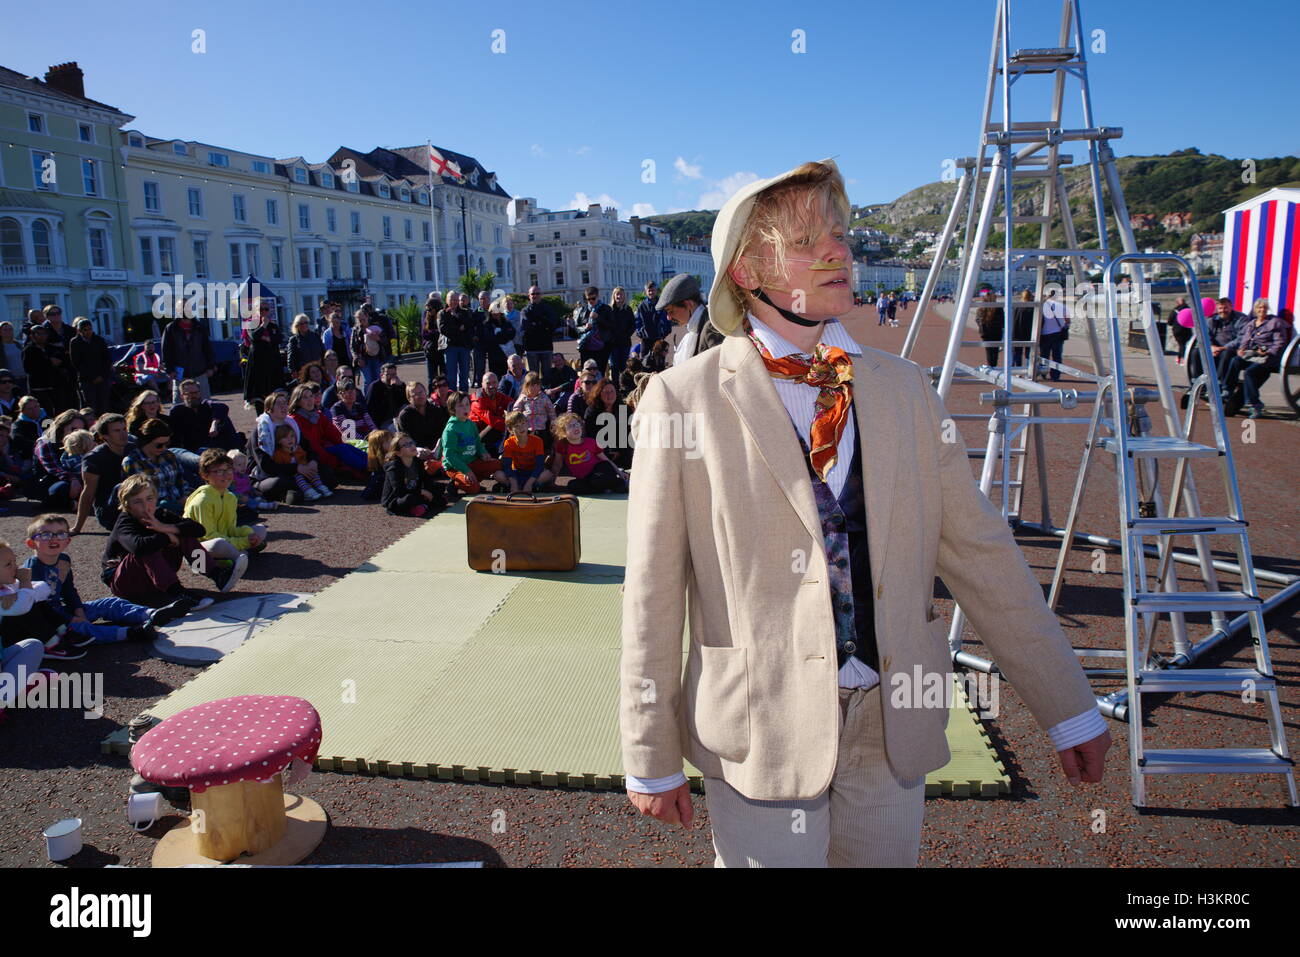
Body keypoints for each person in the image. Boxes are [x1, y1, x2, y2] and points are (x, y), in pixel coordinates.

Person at [620, 159, 1108, 867]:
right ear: (748, 271)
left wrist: (1068, 705)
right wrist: (650, 751)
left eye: (841, 234)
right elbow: (653, 589)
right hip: (762, 730)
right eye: (807, 238)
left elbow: (981, 554)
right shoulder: (683, 399)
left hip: (890, 724)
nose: (839, 251)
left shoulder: (906, 390)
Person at [22, 514, 170, 646]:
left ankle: (152, 614)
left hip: (62, 610)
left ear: (67, 541)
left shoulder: (63, 560)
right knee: (84, 629)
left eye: (60, 534)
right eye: (46, 535)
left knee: (109, 603)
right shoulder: (31, 569)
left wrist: (78, 610)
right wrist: (71, 619)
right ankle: (129, 633)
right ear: (31, 543)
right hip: (50, 621)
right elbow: (40, 608)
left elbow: (68, 590)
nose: (54, 538)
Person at [102, 475, 239, 608]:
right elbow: (139, 547)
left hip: (154, 579)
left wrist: (165, 527)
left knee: (183, 533)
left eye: (149, 499)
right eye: (138, 502)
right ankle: (178, 594)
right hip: (126, 584)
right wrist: (167, 537)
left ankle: (216, 574)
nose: (146, 506)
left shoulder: (160, 514)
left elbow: (198, 530)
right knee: (148, 547)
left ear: (156, 499)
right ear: (127, 505)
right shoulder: (125, 522)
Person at [183, 449, 269, 557]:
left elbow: (230, 529)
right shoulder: (202, 500)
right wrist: (244, 542)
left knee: (260, 530)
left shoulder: (230, 497)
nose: (226, 475)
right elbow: (208, 536)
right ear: (205, 475)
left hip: (224, 539)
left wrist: (248, 535)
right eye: (219, 471)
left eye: (228, 470)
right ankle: (240, 555)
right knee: (218, 544)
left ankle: (238, 555)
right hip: (199, 547)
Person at [1219, 298, 1293, 418]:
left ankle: (1255, 405)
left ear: (1267, 309)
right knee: (1235, 361)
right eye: (1259, 308)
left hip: (1268, 358)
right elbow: (1245, 340)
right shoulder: (1251, 324)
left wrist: (1267, 352)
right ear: (1255, 310)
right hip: (1253, 355)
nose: (1261, 310)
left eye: (1264, 307)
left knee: (1250, 373)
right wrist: (1241, 349)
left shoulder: (1275, 322)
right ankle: (1227, 389)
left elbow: (1279, 342)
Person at [289, 383, 367, 478]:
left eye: (311, 396)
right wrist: (333, 459)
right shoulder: (295, 419)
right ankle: (368, 468)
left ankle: (373, 463)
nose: (310, 400)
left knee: (346, 446)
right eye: (305, 398)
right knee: (342, 450)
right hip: (310, 457)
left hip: (324, 450)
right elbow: (311, 446)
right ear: (297, 401)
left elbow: (335, 435)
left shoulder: (317, 414)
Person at [122, 418, 194, 514]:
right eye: (159, 445)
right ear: (146, 441)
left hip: (181, 502)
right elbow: (138, 494)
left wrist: (186, 496)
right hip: (156, 509)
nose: (164, 448)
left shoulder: (168, 455)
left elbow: (181, 480)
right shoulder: (133, 462)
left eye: (167, 443)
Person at [73, 412, 130, 533]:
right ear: (105, 436)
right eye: (117, 431)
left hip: (137, 503)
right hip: (110, 510)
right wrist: (77, 527)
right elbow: (88, 493)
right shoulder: (94, 458)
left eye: (124, 429)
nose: (123, 434)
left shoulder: (134, 449)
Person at [439, 391, 506, 494]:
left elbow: (478, 443)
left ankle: (472, 480)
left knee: (498, 464)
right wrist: (466, 470)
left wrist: (483, 453)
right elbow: (450, 455)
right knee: (474, 488)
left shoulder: (471, 424)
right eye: (460, 405)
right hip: (456, 467)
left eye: (467, 404)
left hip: (471, 461)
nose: (465, 408)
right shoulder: (450, 429)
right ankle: (455, 482)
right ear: (453, 409)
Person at [549, 413, 627, 494]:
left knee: (596, 480)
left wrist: (619, 472)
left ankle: (620, 483)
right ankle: (604, 490)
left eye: (576, 424)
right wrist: (552, 481)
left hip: (600, 471)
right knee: (572, 486)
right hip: (585, 478)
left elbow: (606, 460)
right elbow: (557, 464)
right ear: (564, 433)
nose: (575, 427)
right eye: (570, 426)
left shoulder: (591, 442)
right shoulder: (562, 445)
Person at [1185, 297, 1246, 399]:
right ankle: (1198, 382)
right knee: (1196, 352)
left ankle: (1217, 384)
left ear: (1231, 307)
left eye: (1226, 308)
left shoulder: (1240, 319)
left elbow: (1241, 337)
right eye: (1220, 308)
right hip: (1214, 349)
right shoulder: (1212, 320)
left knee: (1226, 354)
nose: (1223, 311)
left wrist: (1223, 348)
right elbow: (1206, 335)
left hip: (1230, 349)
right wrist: (1211, 347)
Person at [659, 273, 723, 366]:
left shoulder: (710, 327)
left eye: (670, 311)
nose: (668, 317)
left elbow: (721, 371)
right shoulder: (695, 326)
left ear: (689, 304)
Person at [162, 300, 217, 406]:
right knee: (179, 405)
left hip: (200, 372)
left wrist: (211, 366)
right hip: (179, 374)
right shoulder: (171, 328)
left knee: (204, 404)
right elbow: (166, 351)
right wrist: (169, 370)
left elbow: (207, 347)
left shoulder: (199, 327)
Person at [381, 432, 446, 517]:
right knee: (408, 499)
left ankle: (423, 505)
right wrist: (422, 492)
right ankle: (423, 505)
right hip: (397, 498)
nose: (412, 446)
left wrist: (431, 491)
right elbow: (399, 491)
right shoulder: (394, 468)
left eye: (411, 443)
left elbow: (426, 480)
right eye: (406, 445)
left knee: (439, 488)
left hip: (415, 492)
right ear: (398, 453)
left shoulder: (417, 462)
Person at [30, 410, 85, 509]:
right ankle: (71, 505)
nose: (77, 434)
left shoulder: (82, 441)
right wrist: (73, 478)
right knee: (60, 489)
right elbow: (53, 468)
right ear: (62, 427)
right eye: (73, 429)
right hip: (50, 481)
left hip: (75, 480)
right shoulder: (45, 442)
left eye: (81, 430)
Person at [240, 299, 285, 414]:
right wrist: (263, 325)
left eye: (266, 309)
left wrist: (268, 338)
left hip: (272, 364)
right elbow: (254, 336)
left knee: (275, 394)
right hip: (258, 366)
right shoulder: (250, 324)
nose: (264, 312)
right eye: (261, 309)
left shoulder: (273, 325)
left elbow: (279, 338)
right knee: (260, 397)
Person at [272, 423, 332, 501]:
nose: (290, 439)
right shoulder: (278, 453)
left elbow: (303, 457)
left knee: (313, 473)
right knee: (299, 478)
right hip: (292, 474)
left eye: (292, 436)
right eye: (285, 437)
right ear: (279, 440)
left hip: (303, 469)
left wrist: (306, 466)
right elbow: (280, 466)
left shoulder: (297, 448)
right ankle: (308, 491)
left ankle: (320, 486)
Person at [582, 377, 632, 469]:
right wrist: (608, 451)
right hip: (600, 452)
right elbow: (591, 435)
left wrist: (619, 451)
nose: (609, 395)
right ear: (599, 394)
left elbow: (627, 433)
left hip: (622, 451)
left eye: (612, 391)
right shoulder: (592, 411)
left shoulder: (624, 409)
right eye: (605, 392)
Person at [499, 411, 554, 493]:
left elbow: (539, 465)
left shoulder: (537, 441)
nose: (521, 428)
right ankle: (516, 486)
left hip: (532, 474)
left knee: (548, 474)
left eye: (523, 423)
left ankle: (529, 486)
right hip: (516, 473)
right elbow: (507, 466)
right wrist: (513, 482)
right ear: (510, 430)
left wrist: (530, 483)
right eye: (517, 426)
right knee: (498, 475)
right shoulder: (508, 442)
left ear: (527, 424)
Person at [68, 318, 114, 414]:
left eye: (90, 329)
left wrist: (102, 375)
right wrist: (91, 377)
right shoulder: (75, 342)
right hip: (87, 380)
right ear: (80, 331)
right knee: (90, 406)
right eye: (85, 329)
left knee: (104, 404)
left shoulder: (99, 340)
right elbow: (76, 362)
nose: (88, 332)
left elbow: (107, 359)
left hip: (102, 378)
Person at [395, 380, 449, 458]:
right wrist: (418, 449)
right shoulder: (405, 416)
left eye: (421, 392)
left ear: (425, 392)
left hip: (439, 451)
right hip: (415, 453)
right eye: (415, 394)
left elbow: (443, 432)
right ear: (409, 399)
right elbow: (404, 439)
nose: (419, 396)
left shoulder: (436, 410)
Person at [570, 286, 614, 373]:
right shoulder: (582, 310)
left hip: (602, 346)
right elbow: (576, 328)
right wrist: (585, 328)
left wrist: (599, 318)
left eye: (593, 298)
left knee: (600, 372)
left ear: (598, 296)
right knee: (587, 372)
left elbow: (612, 326)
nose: (591, 301)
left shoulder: (606, 309)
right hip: (586, 346)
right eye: (588, 299)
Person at [511, 371, 557, 453]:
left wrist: (553, 420)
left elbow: (551, 410)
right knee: (525, 439)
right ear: (526, 386)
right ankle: (527, 453)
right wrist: (519, 417)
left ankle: (543, 454)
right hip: (527, 427)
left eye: (537, 385)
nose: (535, 388)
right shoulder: (523, 397)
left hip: (540, 427)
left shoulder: (544, 398)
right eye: (532, 385)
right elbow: (516, 408)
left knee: (541, 439)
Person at [438, 293, 475, 393]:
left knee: (464, 375)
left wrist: (456, 317)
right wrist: (459, 328)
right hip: (450, 347)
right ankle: (452, 398)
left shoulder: (464, 312)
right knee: (451, 376)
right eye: (451, 299)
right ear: (446, 300)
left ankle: (464, 397)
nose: (453, 302)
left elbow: (469, 324)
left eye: (455, 299)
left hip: (464, 346)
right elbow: (443, 329)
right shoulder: (442, 313)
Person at [21, 324, 61, 415]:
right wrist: (49, 362)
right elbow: (28, 368)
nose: (42, 336)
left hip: (53, 385)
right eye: (39, 334)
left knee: (56, 410)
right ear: (32, 336)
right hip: (38, 387)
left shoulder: (50, 348)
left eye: (44, 334)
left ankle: (54, 428)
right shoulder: (29, 350)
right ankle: (45, 427)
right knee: (45, 412)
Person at [469, 372, 511, 455]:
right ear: (482, 384)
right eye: (488, 383)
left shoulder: (499, 396)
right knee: (496, 426)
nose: (492, 386)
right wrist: (511, 425)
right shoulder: (477, 400)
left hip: (492, 432)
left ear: (498, 383)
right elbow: (492, 420)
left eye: (494, 382)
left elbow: (513, 404)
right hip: (476, 436)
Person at [521, 285, 559, 374]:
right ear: (529, 295)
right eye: (533, 294)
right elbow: (526, 326)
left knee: (547, 375)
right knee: (534, 376)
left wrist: (536, 323)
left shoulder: (548, 308)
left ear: (541, 295)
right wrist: (543, 323)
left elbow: (553, 324)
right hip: (531, 348)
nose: (535, 296)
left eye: (537, 293)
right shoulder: (525, 311)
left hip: (546, 346)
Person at [365, 363, 407, 430]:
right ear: (381, 375)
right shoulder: (375, 387)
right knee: (396, 429)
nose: (391, 377)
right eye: (388, 375)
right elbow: (369, 408)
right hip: (384, 421)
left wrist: (402, 386)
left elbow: (407, 401)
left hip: (398, 417)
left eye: (394, 374)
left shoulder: (397, 385)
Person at [607, 286, 636, 382]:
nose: (619, 296)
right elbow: (606, 325)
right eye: (617, 294)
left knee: (623, 366)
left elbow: (632, 325)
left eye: (621, 294)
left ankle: (623, 386)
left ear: (624, 296)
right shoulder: (609, 309)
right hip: (613, 344)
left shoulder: (628, 309)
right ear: (614, 296)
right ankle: (615, 387)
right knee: (614, 366)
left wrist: (626, 335)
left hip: (625, 342)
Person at [1039, 288, 1069, 382]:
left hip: (1044, 334)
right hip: (1058, 334)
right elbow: (1067, 321)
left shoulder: (1041, 305)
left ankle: (1043, 373)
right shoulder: (1062, 306)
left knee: (1044, 355)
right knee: (1057, 356)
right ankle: (1055, 376)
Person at [287, 313, 325, 379]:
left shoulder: (315, 336)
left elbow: (323, 352)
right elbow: (291, 358)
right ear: (297, 326)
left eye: (306, 323)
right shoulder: (294, 340)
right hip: (303, 372)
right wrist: (293, 371)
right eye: (301, 323)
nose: (304, 325)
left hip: (317, 370)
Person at [635, 280, 669, 352]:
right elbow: (638, 321)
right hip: (646, 339)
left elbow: (667, 320)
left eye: (653, 290)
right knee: (644, 361)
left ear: (656, 291)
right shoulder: (642, 306)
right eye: (649, 291)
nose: (651, 292)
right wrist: (641, 333)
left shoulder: (662, 304)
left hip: (659, 338)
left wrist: (664, 333)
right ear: (646, 292)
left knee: (659, 361)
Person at [975, 287, 1004, 367]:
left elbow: (977, 319)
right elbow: (1002, 320)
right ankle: (994, 366)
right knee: (995, 351)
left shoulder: (982, 307)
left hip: (985, 332)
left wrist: (981, 327)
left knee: (989, 351)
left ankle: (991, 366)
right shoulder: (998, 308)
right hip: (996, 332)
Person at [363, 429, 395, 500]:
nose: (392, 443)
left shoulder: (393, 452)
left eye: (392, 439)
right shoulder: (383, 457)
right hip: (381, 483)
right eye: (388, 441)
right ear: (378, 445)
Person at [421, 293, 445, 387]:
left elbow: (444, 332)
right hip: (431, 351)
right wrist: (436, 333)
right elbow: (424, 334)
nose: (428, 311)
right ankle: (432, 396)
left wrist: (434, 333)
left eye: (430, 308)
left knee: (444, 375)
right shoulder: (426, 317)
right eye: (427, 308)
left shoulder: (442, 315)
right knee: (431, 377)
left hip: (442, 350)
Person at [320, 301, 353, 369]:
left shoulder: (345, 328)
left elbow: (352, 341)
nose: (336, 325)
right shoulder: (327, 333)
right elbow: (326, 348)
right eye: (333, 323)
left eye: (337, 322)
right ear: (330, 323)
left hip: (347, 359)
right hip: (334, 361)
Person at [1011, 289, 1035, 368]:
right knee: (1029, 354)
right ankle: (1029, 370)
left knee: (1017, 353)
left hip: (1017, 333)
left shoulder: (1016, 307)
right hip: (1030, 333)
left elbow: (1012, 319)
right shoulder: (1033, 307)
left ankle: (1018, 370)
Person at [0, 324, 26, 392]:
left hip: (24, 378)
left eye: (10, 329)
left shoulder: (18, 345)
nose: (8, 331)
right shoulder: (1, 347)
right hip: (9, 381)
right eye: (5, 330)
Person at [1168, 295, 1192, 364]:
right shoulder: (1189, 309)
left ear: (1177, 303)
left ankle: (1181, 358)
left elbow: (1169, 322)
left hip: (1177, 330)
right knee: (1184, 344)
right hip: (1187, 329)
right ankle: (1182, 358)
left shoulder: (1175, 310)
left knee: (1181, 344)